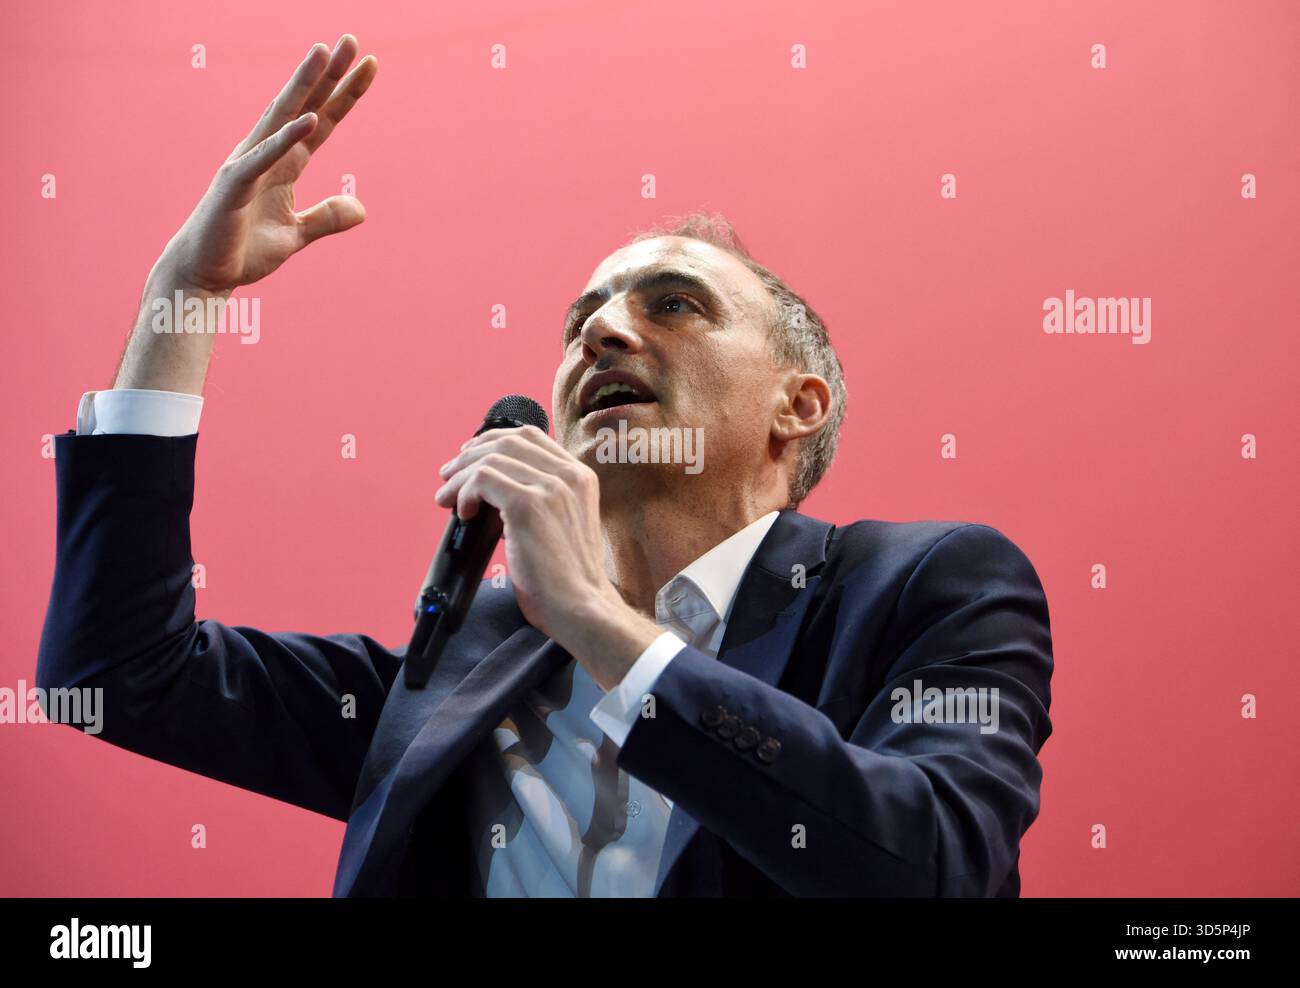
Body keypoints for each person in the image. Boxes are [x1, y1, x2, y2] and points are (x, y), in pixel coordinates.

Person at [37, 34, 1054, 897]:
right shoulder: (469, 663)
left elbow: (939, 864)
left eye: (673, 304)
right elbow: (121, 676)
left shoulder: (929, 587)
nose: (602, 332)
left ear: (799, 404)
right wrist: (187, 294)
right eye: (582, 322)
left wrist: (595, 620)